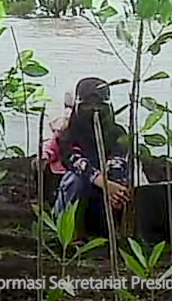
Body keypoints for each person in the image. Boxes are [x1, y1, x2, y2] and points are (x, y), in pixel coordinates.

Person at [54, 77, 130, 238]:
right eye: (88, 106)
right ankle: (71, 234)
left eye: (100, 106)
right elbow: (76, 163)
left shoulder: (117, 133)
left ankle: (118, 229)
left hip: (104, 200)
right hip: (75, 200)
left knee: (130, 181)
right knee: (75, 180)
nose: (94, 110)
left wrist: (116, 190)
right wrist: (105, 184)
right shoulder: (68, 134)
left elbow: (118, 161)